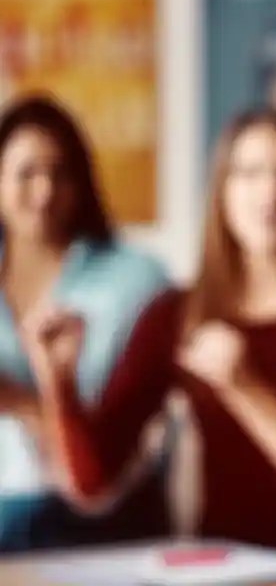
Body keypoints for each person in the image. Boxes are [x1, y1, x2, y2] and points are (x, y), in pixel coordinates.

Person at [23, 110, 276, 556]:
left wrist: (244, 387)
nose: (269, 193)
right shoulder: (178, 315)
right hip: (224, 569)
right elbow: (95, 480)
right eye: (248, 174)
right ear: (221, 191)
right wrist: (59, 383)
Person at [0, 93, 170, 551]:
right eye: (26, 173)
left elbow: (121, 440)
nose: (44, 192)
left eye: (60, 172)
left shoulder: (136, 282)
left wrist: (24, 402)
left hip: (101, 510)